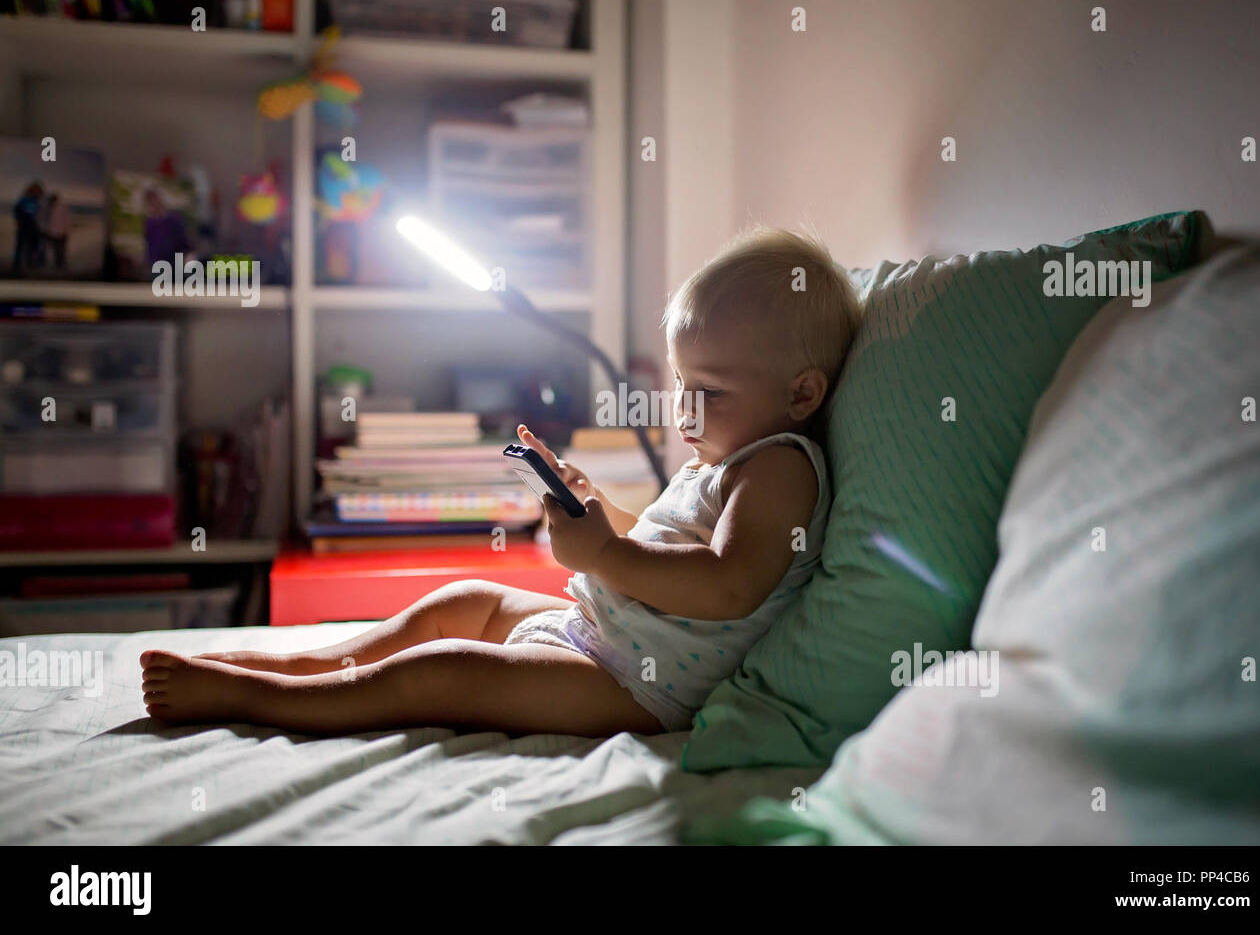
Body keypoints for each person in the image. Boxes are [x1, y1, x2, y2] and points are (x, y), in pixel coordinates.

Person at [140, 225, 864, 737]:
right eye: (680, 382)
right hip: (596, 631)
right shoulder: (726, 459)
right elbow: (661, 544)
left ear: (801, 395)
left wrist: (605, 556)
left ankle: (262, 698)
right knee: (462, 600)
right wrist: (599, 511)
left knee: (442, 670)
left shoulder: (778, 467)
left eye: (708, 390)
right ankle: (293, 664)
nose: (682, 408)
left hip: (637, 686)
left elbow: (727, 584)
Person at [10, 181, 43, 274]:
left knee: (28, 247)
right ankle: (18, 266)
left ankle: (26, 265)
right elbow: (20, 211)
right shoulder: (26, 200)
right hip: (26, 227)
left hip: (29, 227)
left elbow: (33, 214)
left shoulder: (32, 200)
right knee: (22, 247)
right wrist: (20, 221)